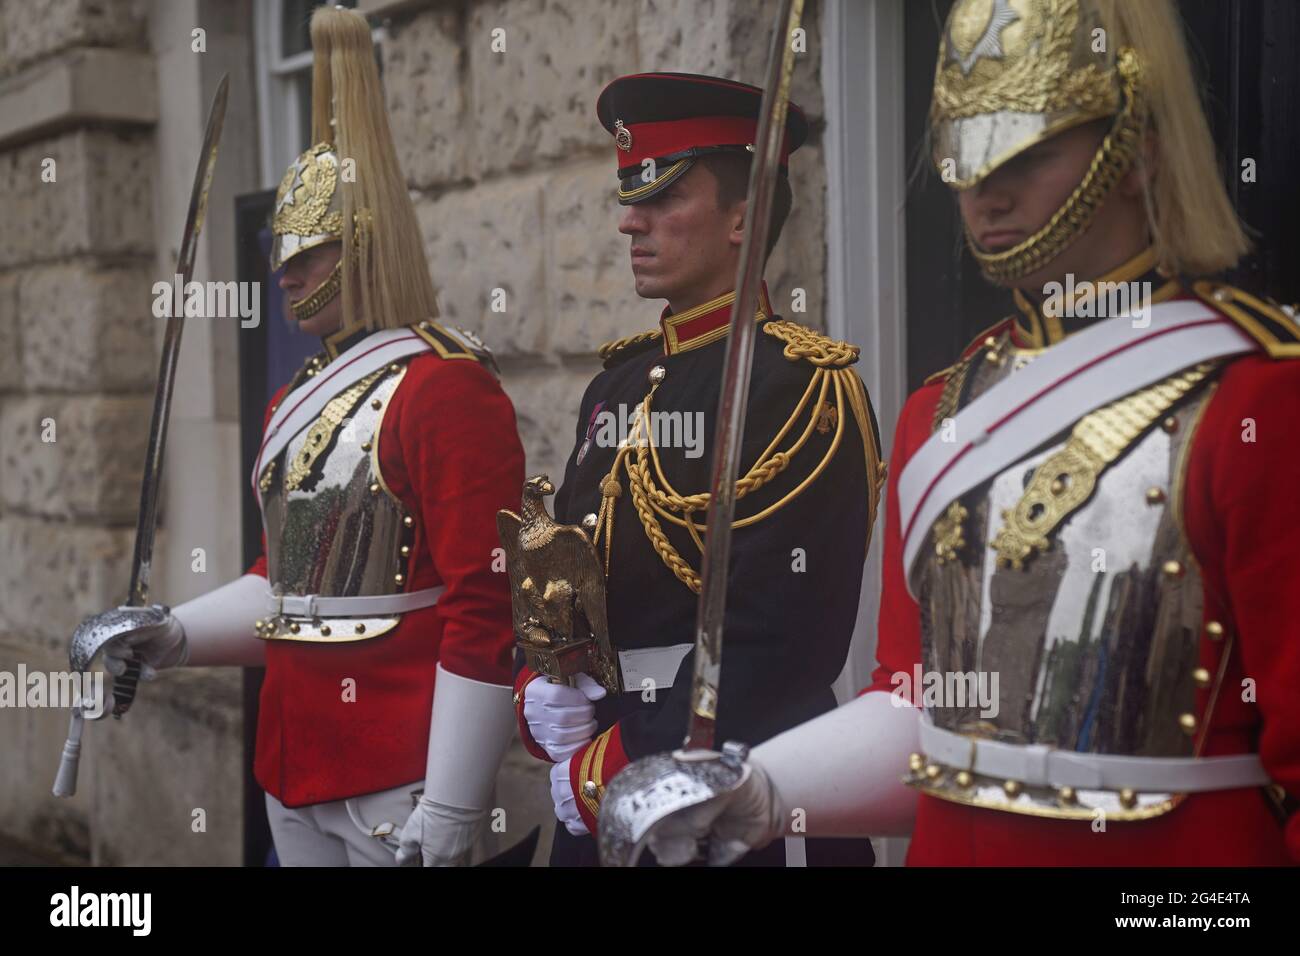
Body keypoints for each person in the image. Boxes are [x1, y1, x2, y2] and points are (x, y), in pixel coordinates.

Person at [606, 0, 1300, 867]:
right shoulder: (939, 408)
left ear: (1137, 148)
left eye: (1030, 149)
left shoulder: (1259, 394)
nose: (987, 189)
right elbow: (921, 708)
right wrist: (763, 788)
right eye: (965, 151)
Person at [78, 6, 525, 866]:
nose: (284, 273)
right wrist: (173, 633)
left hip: (401, 774)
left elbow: (487, 602)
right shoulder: (298, 393)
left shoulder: (446, 387)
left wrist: (460, 797)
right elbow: (287, 587)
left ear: (362, 246)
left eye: (307, 254)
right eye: (280, 254)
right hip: (295, 765)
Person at [511, 72, 886, 866]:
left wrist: (609, 764)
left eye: (663, 199)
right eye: (628, 198)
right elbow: (575, 576)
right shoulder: (616, 384)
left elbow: (777, 641)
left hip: (730, 794)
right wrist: (547, 683)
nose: (628, 223)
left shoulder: (800, 384)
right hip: (607, 787)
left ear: (743, 216)